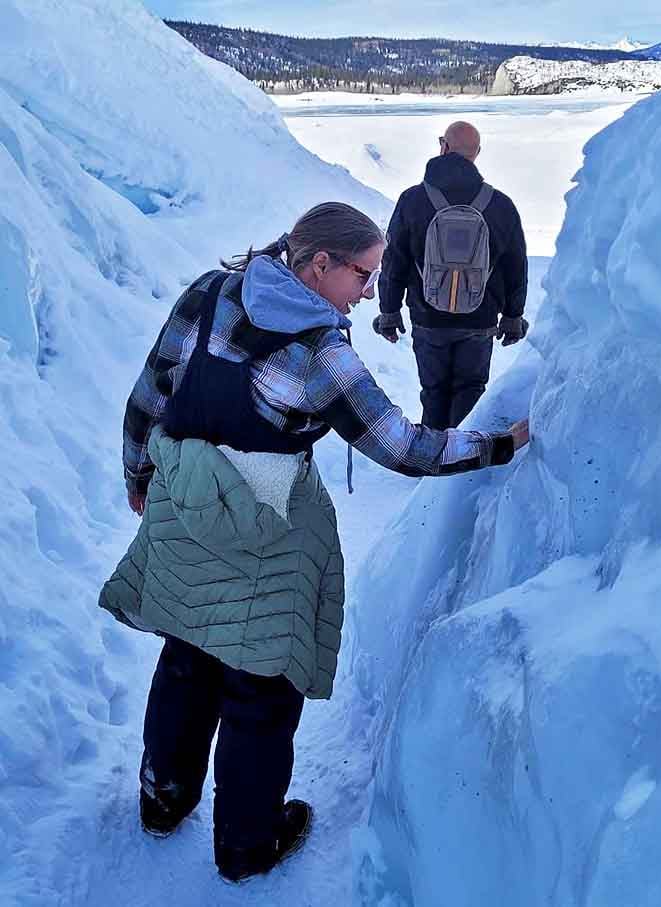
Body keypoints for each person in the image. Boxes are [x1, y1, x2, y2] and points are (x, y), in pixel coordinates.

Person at [99, 202, 529, 884]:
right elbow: (402, 445)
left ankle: (162, 798)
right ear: (320, 263)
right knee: (262, 682)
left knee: (188, 652)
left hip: (185, 506)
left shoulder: (211, 293)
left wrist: (138, 473)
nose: (369, 290)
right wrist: (499, 444)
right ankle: (246, 845)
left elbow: (150, 391)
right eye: (363, 273)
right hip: (264, 530)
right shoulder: (321, 353)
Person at [374, 121, 529, 429]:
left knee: (433, 393)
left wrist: (389, 311)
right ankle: (462, 453)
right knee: (470, 391)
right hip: (480, 319)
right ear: (477, 153)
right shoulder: (500, 205)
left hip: (428, 318)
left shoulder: (413, 200)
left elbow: (394, 261)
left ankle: (432, 453)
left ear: (443, 147)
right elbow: (516, 266)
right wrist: (513, 316)